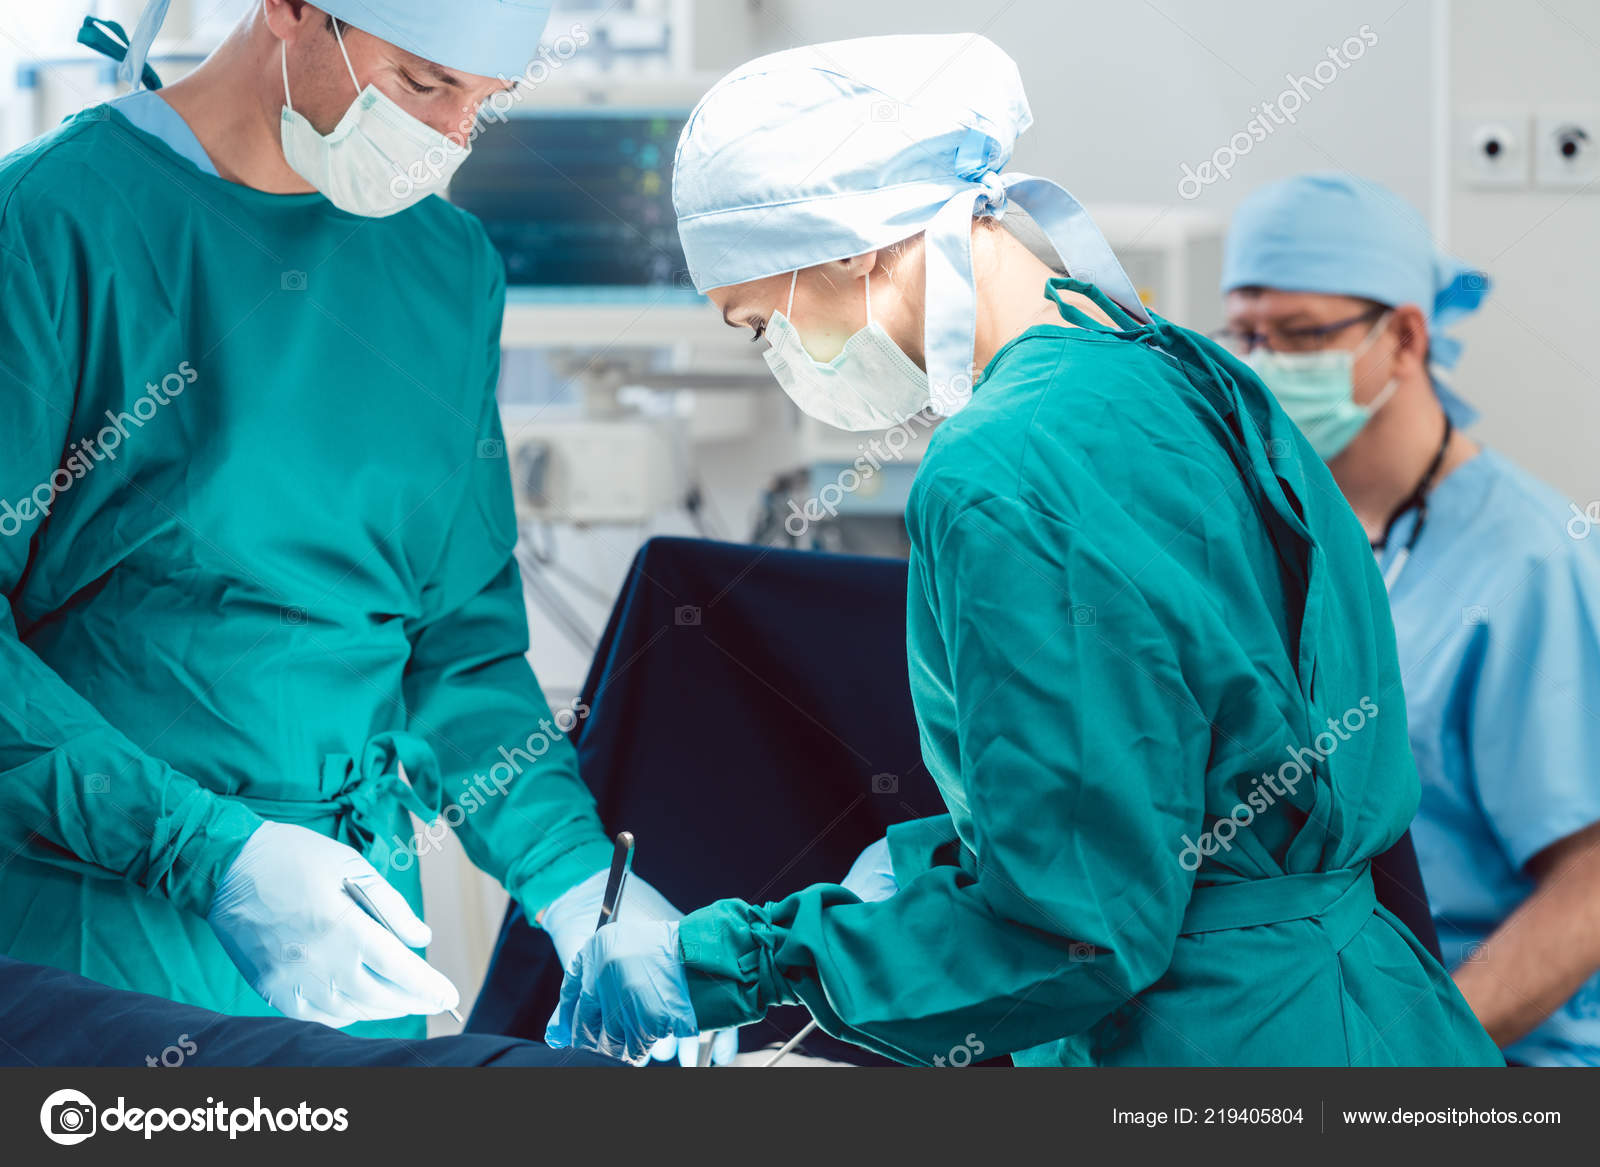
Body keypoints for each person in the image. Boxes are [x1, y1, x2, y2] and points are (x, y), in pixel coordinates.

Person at [544, 34, 1503, 1067]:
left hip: (1215, 1039)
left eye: (753, 324)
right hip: (1365, 1006)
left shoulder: (1001, 465)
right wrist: (932, 867)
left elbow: (1070, 930)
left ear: (850, 245)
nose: (776, 356)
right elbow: (1190, 773)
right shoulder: (1178, 373)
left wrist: (733, 963)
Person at [0, 0, 732, 1062]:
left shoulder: (444, 265)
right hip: (96, 925)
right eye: (426, 84)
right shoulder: (51, 227)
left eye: (481, 106)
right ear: (290, 12)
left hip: (357, 932)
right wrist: (216, 855)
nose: (446, 138)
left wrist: (580, 890)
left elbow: (459, 655)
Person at [1221, 173, 1600, 1066]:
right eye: (1243, 334)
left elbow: (1590, 885)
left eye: (1303, 335)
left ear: (1405, 336)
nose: (1265, 363)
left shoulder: (1529, 564)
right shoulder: (1282, 537)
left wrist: (1408, 1056)